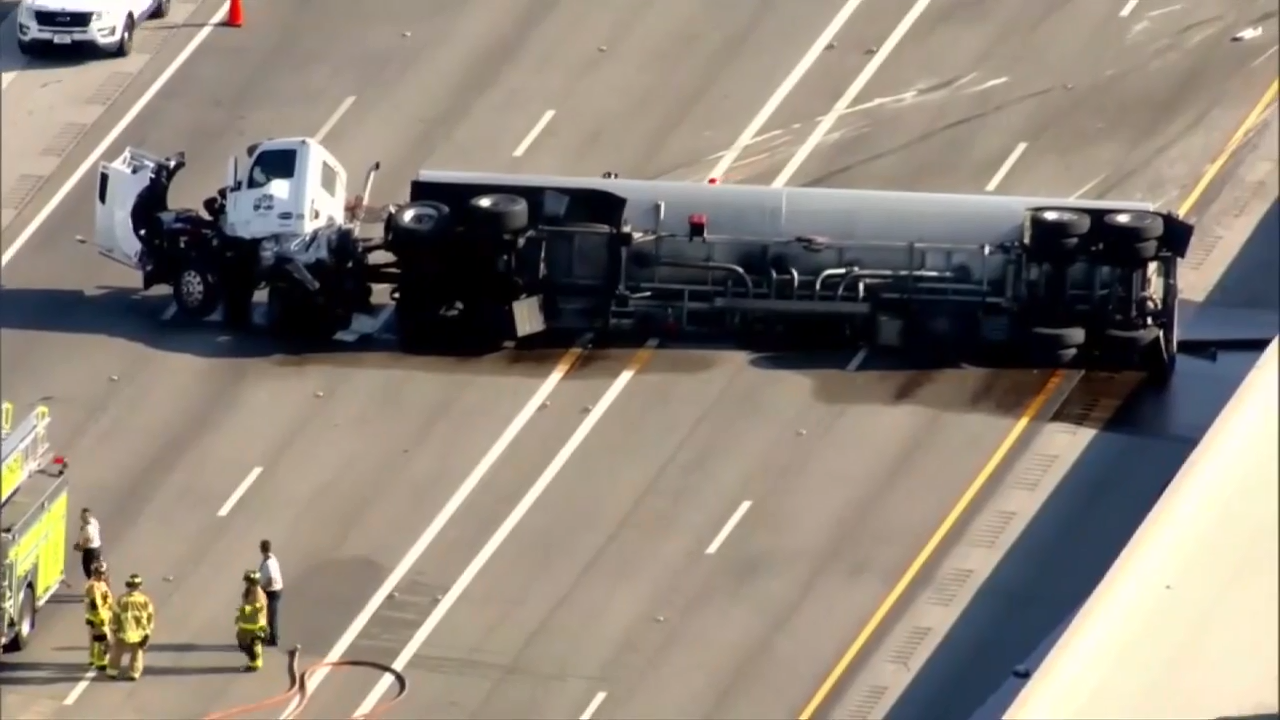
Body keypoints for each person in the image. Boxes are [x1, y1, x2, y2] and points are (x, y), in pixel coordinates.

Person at [105, 574, 154, 681]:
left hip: (124, 632)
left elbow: (116, 616)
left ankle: (112, 671)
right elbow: (150, 617)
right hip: (139, 633)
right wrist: (148, 633)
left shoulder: (122, 599)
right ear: (139, 586)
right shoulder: (145, 600)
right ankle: (134, 673)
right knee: (137, 654)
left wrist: (114, 629)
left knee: (117, 652)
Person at [235, 570, 269, 672]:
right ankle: (254, 661)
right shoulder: (249, 590)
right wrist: (240, 616)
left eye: (248, 581)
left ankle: (255, 663)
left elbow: (260, 606)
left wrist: (249, 609)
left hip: (255, 624)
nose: (246, 583)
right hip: (246, 623)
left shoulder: (258, 592)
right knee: (243, 643)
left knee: (252, 644)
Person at [83, 560, 114, 671]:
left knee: (94, 639)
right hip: (98, 617)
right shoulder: (93, 586)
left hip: (100, 616)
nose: (102, 575)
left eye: (103, 573)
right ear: (94, 573)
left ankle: (93, 658)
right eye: (99, 573)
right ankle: (101, 661)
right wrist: (100, 617)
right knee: (104, 639)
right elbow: (94, 604)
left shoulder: (102, 584)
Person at [258, 539, 283, 646]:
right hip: (273, 590)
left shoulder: (269, 563)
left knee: (271, 615)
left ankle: (273, 639)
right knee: (268, 614)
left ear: (262, 549)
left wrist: (261, 589)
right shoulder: (270, 558)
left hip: (272, 592)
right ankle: (272, 635)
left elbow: (271, 580)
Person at [72, 508, 104, 581]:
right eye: (82, 516)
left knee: (88, 569)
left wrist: (80, 548)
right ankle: (99, 580)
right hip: (98, 548)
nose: (82, 518)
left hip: (90, 551)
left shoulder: (88, 528)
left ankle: (93, 584)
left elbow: (88, 540)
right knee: (98, 568)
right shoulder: (94, 521)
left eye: (84, 516)